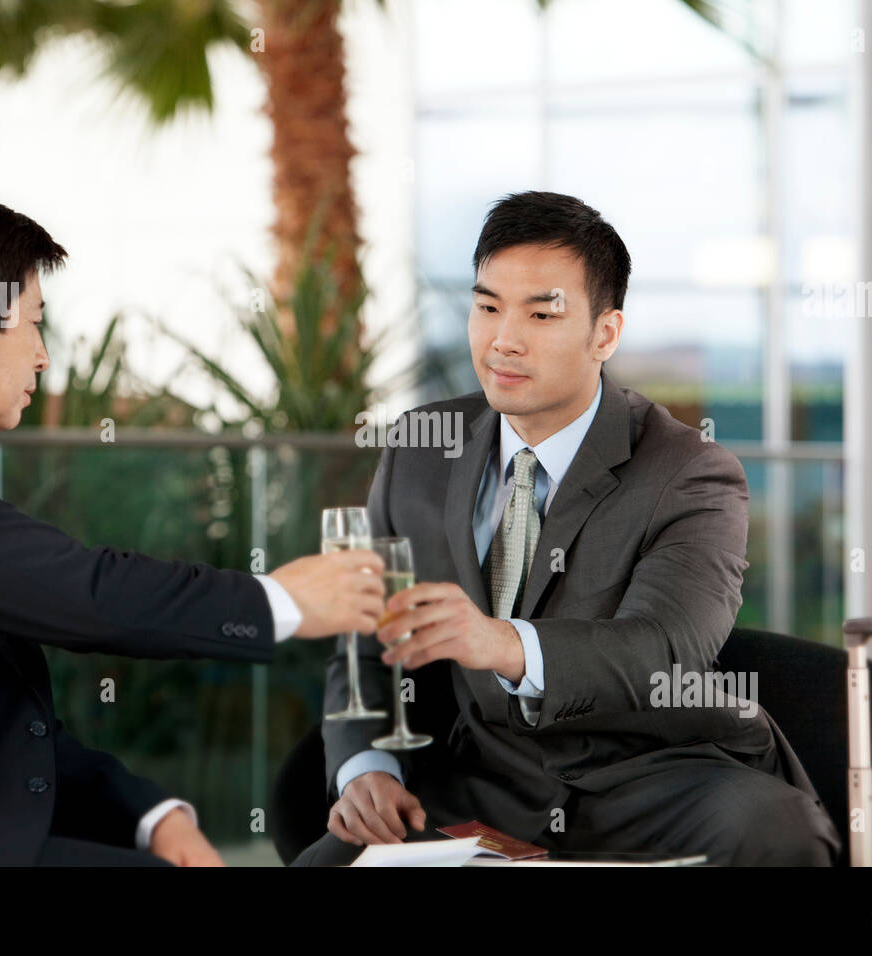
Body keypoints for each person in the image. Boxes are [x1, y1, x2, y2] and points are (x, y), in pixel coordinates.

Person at [0, 186, 384, 866]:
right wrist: (282, 601)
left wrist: (149, 814)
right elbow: (83, 592)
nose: (42, 356)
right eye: (33, 323)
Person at [295, 191, 842, 866]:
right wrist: (367, 765)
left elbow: (665, 650)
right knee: (326, 865)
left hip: (658, 777)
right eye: (487, 306)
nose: (503, 339)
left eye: (540, 313)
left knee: (775, 835)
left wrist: (500, 643)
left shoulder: (691, 473)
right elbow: (364, 638)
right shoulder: (421, 449)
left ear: (604, 334)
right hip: (487, 779)